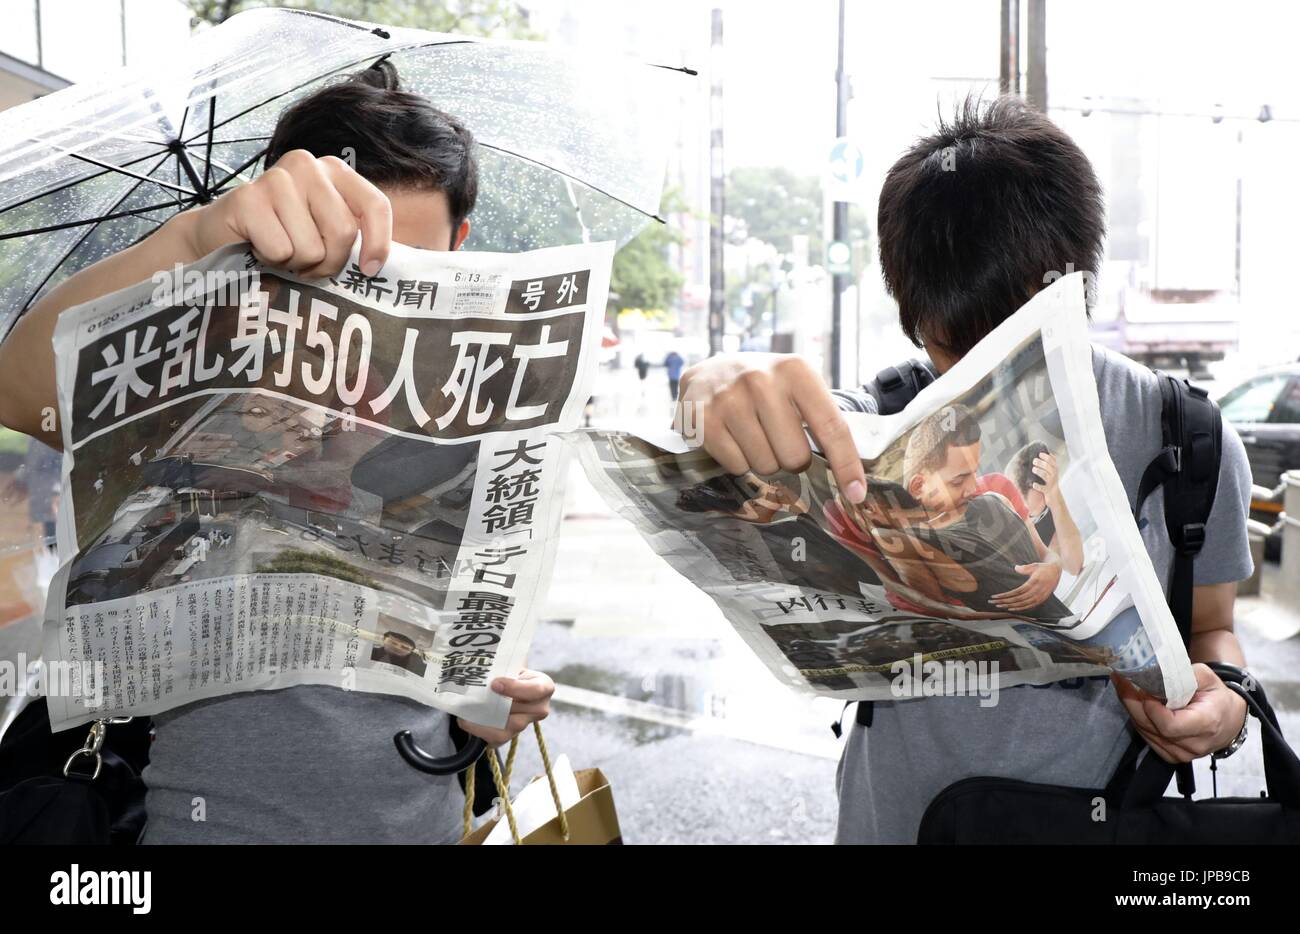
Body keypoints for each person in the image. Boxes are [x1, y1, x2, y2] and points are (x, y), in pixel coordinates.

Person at [0, 61, 555, 844]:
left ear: (459, 244)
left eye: (400, 272)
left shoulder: (468, 413)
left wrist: (492, 702)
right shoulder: (193, 368)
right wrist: (195, 238)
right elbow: (22, 387)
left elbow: (465, 659)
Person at [677, 95, 1253, 844]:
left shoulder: (1191, 440)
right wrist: (710, 387)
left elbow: (1212, 628)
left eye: (1020, 340)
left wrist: (1228, 707)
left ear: (1079, 290)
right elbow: (749, 433)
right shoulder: (887, 416)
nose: (991, 378)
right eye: (955, 353)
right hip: (897, 824)